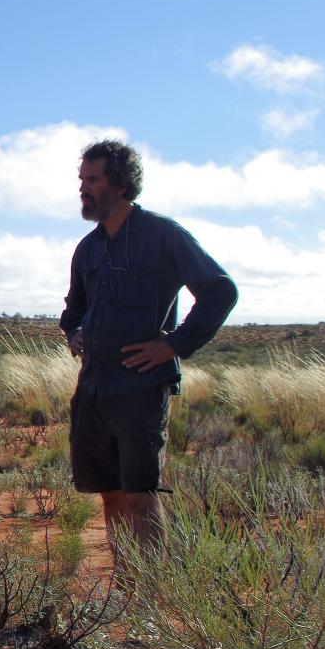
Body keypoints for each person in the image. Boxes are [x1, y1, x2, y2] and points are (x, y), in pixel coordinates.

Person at [60, 139, 238, 577]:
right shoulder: (87, 249)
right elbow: (73, 307)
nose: (82, 188)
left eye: (92, 179)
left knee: (140, 494)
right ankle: (127, 590)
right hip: (95, 388)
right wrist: (74, 331)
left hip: (141, 389)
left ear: (119, 184)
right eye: (81, 179)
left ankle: (151, 605)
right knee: (111, 493)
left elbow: (220, 291)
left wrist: (175, 344)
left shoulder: (163, 236)